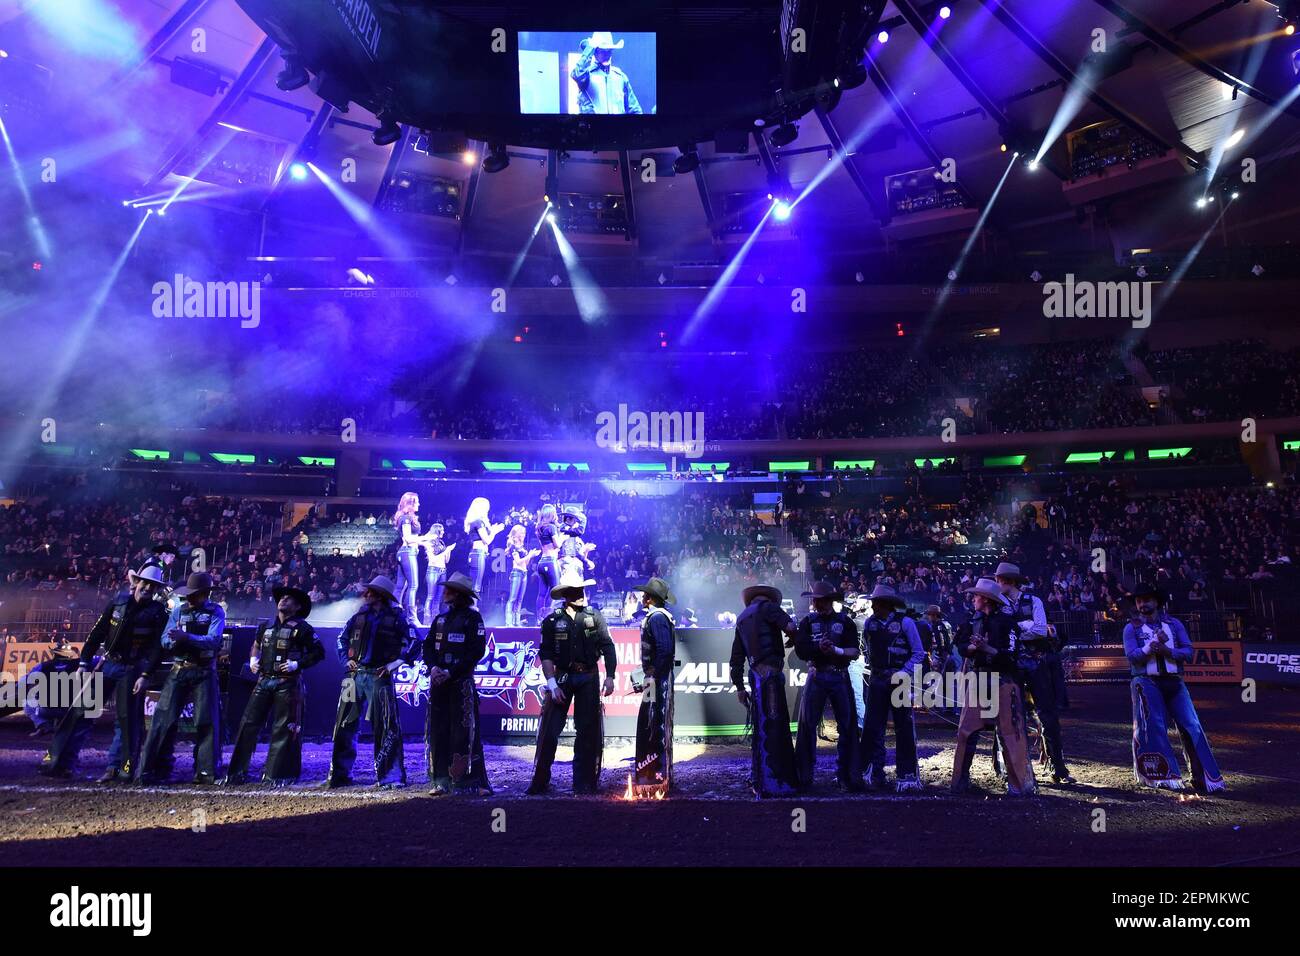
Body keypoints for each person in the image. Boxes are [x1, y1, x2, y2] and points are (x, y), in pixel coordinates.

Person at [39, 565, 169, 782]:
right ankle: (60, 762)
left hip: (132, 668)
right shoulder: (117, 603)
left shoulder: (158, 613)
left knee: (125, 720)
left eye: (152, 585)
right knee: (81, 712)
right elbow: (98, 632)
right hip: (107, 664)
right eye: (145, 583)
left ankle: (116, 768)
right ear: (136, 583)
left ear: (155, 589)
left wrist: (146, 675)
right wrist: (83, 662)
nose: (147, 588)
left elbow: (158, 647)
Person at [1124, 584, 1224, 794]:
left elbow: (1188, 652)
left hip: (1174, 681)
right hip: (1145, 681)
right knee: (1154, 726)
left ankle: (1206, 778)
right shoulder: (1130, 628)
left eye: (1146, 600)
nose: (1142, 604)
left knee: (1192, 725)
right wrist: (1151, 646)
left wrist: (1167, 650)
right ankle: (1162, 775)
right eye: (1139, 600)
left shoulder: (1175, 624)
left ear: (1156, 602)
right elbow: (1132, 657)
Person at [525, 567, 617, 795]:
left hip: (588, 676)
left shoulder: (594, 616)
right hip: (562, 677)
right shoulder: (552, 621)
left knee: (587, 730)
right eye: (575, 591)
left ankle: (584, 782)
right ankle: (540, 780)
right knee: (549, 730)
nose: (581, 594)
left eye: (581, 590)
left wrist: (611, 676)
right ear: (566, 594)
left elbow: (608, 646)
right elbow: (545, 653)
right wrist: (552, 683)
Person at [224, 585, 325, 786]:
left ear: (297, 607)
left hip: (287, 683)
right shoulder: (266, 626)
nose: (283, 600)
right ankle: (236, 773)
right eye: (282, 598)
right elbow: (256, 645)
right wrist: (253, 659)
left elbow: (318, 652)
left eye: (289, 599)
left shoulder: (303, 628)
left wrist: (298, 664)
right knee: (248, 724)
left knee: (284, 729)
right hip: (264, 680)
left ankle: (277, 774)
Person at [135, 572, 226, 785]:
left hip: (204, 670)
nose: (189, 599)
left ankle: (206, 771)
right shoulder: (179, 611)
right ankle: (150, 770)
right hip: (179, 668)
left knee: (206, 721)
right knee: (162, 719)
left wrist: (187, 638)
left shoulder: (216, 612)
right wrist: (174, 642)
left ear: (204, 594)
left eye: (193, 595)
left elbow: (214, 640)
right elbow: (165, 639)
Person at [326, 575, 416, 789]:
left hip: (379, 676)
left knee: (385, 725)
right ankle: (339, 775)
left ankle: (390, 775)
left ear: (380, 596)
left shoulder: (396, 617)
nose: (366, 594)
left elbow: (413, 643)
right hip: (353, 677)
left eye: (371, 591)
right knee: (345, 724)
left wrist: (395, 664)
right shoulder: (359, 616)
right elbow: (342, 639)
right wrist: (345, 660)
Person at [951, 577, 1036, 796]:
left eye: (977, 596)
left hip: (1003, 680)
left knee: (1008, 732)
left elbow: (1011, 657)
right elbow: (961, 646)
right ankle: (961, 782)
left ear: (987, 600)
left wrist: (986, 648)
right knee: (968, 732)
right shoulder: (972, 621)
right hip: (982, 678)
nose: (974, 599)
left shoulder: (1007, 624)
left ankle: (1017, 783)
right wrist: (970, 648)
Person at [996, 562, 1074, 784]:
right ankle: (1009, 767)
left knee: (1048, 715)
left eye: (999, 580)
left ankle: (1057, 766)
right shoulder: (1000, 604)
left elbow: (1040, 630)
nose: (996, 583)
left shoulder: (1034, 600)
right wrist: (1025, 627)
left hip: (1036, 664)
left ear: (1008, 581)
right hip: (1013, 665)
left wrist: (1015, 632)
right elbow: (1017, 632)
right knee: (1009, 716)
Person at [424, 572, 492, 796]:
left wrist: (451, 672)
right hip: (440, 682)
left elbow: (476, 651)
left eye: (449, 589)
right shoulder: (440, 619)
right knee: (439, 730)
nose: (444, 592)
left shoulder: (473, 619)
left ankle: (468, 781)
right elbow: (427, 647)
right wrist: (434, 668)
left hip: (461, 683)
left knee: (465, 731)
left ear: (458, 594)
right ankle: (441, 780)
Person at [729, 583, 800, 798]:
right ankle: (778, 779)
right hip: (771, 673)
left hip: (755, 674)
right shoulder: (768, 608)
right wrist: (793, 639)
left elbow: (736, 659)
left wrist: (740, 687)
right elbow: (791, 626)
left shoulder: (742, 618)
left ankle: (760, 777)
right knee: (776, 723)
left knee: (761, 726)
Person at [792, 581, 861, 792]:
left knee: (847, 727)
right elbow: (801, 650)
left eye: (820, 601)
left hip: (839, 675)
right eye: (815, 600)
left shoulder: (845, 622)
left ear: (830, 601)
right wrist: (818, 648)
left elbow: (854, 651)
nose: (816, 604)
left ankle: (846, 776)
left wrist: (836, 651)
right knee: (806, 726)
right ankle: (804, 776)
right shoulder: (807, 622)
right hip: (816, 674)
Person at [860, 584, 925, 792]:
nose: (872, 606)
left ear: (886, 604)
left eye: (876, 602)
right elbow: (866, 650)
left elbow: (918, 653)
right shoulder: (870, 624)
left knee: (903, 727)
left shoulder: (906, 623)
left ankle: (906, 774)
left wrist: (902, 673)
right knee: (872, 727)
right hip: (878, 679)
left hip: (900, 680)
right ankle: (873, 772)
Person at [629, 577, 676, 794]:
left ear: (650, 598)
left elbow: (665, 650)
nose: (642, 597)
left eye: (645, 594)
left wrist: (652, 676)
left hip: (656, 680)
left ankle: (653, 773)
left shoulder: (656, 618)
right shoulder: (658, 617)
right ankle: (653, 771)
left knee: (652, 723)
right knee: (651, 721)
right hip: (656, 679)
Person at [570, 31, 643, 115]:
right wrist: (590, 48)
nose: (607, 54)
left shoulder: (620, 77)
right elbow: (577, 74)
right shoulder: (586, 76)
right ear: (595, 52)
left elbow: (634, 109)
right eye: (603, 51)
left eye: (609, 50)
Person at [464, 497, 505, 611]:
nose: (488, 510)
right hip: (477, 553)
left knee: (476, 583)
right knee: (475, 585)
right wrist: (495, 532)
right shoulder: (477, 521)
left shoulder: (477, 522)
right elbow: (486, 540)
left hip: (478, 553)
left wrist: (492, 529)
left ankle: (472, 607)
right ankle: (471, 608)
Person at [392, 492, 423, 624]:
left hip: (406, 552)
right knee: (413, 585)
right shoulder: (405, 518)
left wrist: (425, 542)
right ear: (410, 503)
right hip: (407, 552)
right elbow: (408, 538)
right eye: (417, 502)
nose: (419, 504)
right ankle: (411, 617)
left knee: (400, 586)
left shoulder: (407, 518)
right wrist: (426, 538)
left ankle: (393, 614)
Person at [420, 522, 455, 627]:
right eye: (442, 530)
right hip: (433, 570)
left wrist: (448, 551)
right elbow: (434, 559)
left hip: (443, 571)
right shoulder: (429, 542)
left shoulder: (442, 543)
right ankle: (427, 620)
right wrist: (447, 550)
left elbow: (447, 560)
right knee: (430, 596)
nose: (444, 532)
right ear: (437, 530)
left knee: (438, 597)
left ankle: (436, 619)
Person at [503, 525, 538, 627]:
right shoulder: (513, 546)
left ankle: (516, 622)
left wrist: (532, 555)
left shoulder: (522, 548)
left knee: (519, 600)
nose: (523, 535)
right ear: (516, 534)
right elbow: (518, 562)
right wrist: (530, 555)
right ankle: (509, 622)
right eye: (521, 533)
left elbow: (525, 564)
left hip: (524, 573)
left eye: (524, 533)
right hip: (516, 573)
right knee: (512, 599)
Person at [533, 504, 561, 624]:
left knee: (542, 593)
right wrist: (562, 538)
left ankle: (539, 619)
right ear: (552, 514)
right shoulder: (551, 527)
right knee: (556, 591)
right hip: (550, 562)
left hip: (541, 562)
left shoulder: (539, 528)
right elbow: (557, 545)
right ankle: (550, 617)